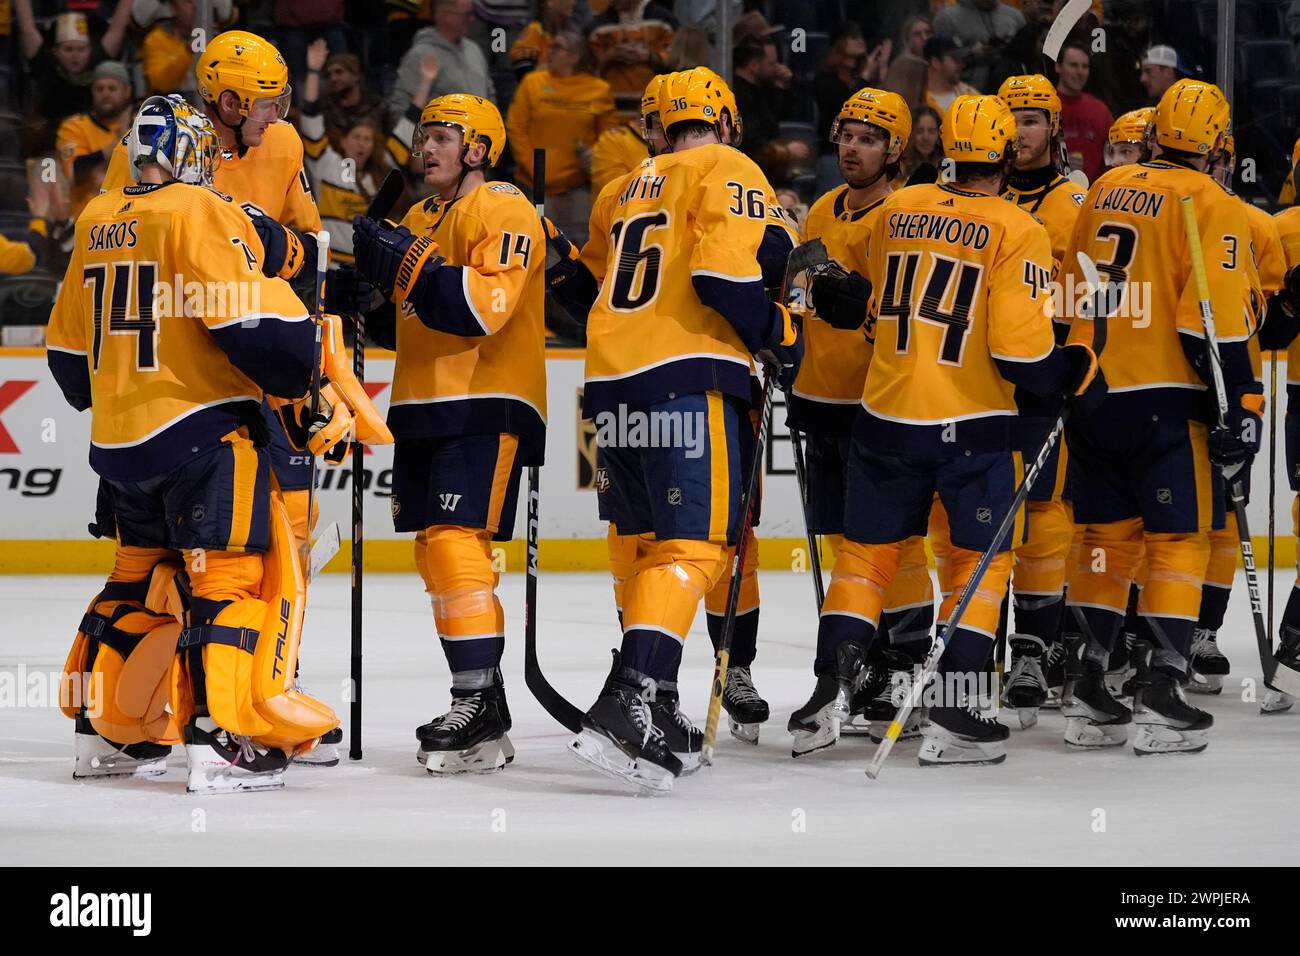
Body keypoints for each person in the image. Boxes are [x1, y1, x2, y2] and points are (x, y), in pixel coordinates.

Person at [45, 96, 352, 793]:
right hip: (202, 435)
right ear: (189, 155)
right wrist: (305, 364)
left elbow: (67, 362)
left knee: (134, 582)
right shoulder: (197, 209)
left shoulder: (95, 216)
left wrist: (126, 388)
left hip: (121, 445)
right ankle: (219, 739)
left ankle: (103, 734)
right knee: (227, 585)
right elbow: (248, 325)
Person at [789, 94, 1102, 767]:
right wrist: (1070, 367)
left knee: (865, 559)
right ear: (1009, 154)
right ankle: (956, 712)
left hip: (883, 416)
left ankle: (830, 691)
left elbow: (867, 304)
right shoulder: (1015, 228)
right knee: (977, 563)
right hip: (971, 425)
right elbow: (1021, 354)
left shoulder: (900, 209)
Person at [548, 66, 799, 792]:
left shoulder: (619, 188)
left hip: (603, 392)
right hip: (688, 379)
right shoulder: (728, 165)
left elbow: (585, 289)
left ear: (655, 127)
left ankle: (654, 698)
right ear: (724, 119)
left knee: (639, 546)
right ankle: (632, 694)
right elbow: (725, 281)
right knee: (696, 547)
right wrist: (780, 329)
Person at [100, 30, 340, 763]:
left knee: (289, 529)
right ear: (227, 102)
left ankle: (269, 688)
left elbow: (308, 249)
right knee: (188, 555)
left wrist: (308, 336)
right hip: (187, 377)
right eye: (267, 103)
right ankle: (185, 709)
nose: (278, 115)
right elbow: (121, 252)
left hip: (261, 359)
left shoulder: (285, 148)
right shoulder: (150, 151)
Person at [346, 94, 547, 775]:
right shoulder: (418, 216)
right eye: (422, 137)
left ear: (479, 149)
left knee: (460, 543)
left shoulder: (504, 206)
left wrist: (410, 264)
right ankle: (480, 703)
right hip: (424, 401)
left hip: (487, 400)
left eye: (442, 138)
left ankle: (479, 704)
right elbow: (405, 310)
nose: (425, 149)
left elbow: (481, 310)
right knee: (435, 550)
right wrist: (354, 294)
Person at [1058, 79, 1255, 755]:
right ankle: (1163, 692)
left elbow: (1071, 291)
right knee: (1177, 542)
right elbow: (1212, 323)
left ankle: (1087, 683)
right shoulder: (1209, 201)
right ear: (1217, 146)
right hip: (1165, 398)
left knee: (1103, 542)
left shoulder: (1106, 186)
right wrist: (1239, 408)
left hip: (1092, 391)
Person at [787, 88, 935, 749]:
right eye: (846, 135)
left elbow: (898, 315)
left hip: (879, 402)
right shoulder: (821, 208)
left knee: (890, 543)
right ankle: (866, 662)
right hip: (821, 397)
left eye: (869, 139)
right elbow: (799, 293)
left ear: (895, 151)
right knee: (841, 540)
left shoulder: (903, 215)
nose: (851, 147)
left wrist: (860, 303)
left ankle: (906, 665)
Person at [301, 39, 425, 266]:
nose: (362, 144)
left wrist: (426, 81)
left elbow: (406, 129)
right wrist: (313, 71)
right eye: (357, 137)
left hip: (366, 270)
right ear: (345, 142)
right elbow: (310, 117)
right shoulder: (326, 163)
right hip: (328, 266)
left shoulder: (381, 171)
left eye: (368, 139)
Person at [506, 29, 616, 245]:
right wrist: (532, 166)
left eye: (556, 47)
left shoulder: (598, 89)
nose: (549, 51)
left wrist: (594, 155)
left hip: (577, 187)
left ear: (573, 57)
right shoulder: (533, 83)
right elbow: (516, 126)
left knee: (578, 252)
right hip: (533, 184)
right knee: (535, 247)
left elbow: (609, 135)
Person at [14, 4, 132, 149]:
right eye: (68, 49)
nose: (75, 55)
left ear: (89, 51)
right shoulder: (45, 63)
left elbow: (117, 29)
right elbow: (27, 28)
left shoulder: (97, 64)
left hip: (89, 141)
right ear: (56, 51)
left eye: (81, 49)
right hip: (49, 142)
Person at [388, 0, 494, 129]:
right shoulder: (421, 55)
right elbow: (400, 110)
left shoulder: (474, 50)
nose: (472, 19)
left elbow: (490, 96)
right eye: (466, 14)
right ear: (446, 16)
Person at [56, 61, 134, 219]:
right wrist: (121, 139)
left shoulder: (143, 127)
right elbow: (74, 173)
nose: (105, 94)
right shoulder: (74, 127)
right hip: (87, 219)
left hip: (131, 218)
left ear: (127, 91)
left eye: (112, 88)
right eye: (99, 89)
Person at [587, 0, 677, 106]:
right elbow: (586, 67)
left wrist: (649, 57)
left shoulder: (664, 21)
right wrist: (610, 56)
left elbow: (676, 60)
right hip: (611, 104)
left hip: (654, 104)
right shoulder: (599, 25)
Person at [932, 0, 1024, 92]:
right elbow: (939, 56)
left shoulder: (1015, 16)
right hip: (967, 90)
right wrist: (971, 53)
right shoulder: (948, 18)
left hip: (1011, 88)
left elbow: (1027, 52)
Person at [1055, 41, 1113, 185]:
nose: (1080, 72)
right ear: (1058, 66)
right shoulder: (1043, 107)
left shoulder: (1100, 110)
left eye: (1085, 66)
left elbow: (1112, 158)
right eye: (1073, 65)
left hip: (1092, 196)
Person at [922, 34, 976, 119]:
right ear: (935, 62)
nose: (962, 65)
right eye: (955, 59)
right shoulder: (919, 100)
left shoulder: (971, 95)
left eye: (962, 59)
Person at [897, 104, 942, 183]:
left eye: (931, 131)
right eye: (919, 131)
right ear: (910, 134)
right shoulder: (898, 165)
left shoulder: (949, 165)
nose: (925, 137)